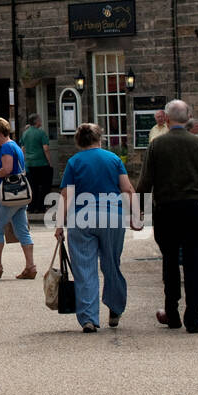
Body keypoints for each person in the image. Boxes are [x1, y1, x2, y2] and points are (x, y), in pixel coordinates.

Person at [137, 100, 198, 333]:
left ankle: (171, 313)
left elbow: (145, 182)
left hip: (167, 209)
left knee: (170, 261)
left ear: (168, 120)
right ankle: (194, 317)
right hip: (196, 207)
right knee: (195, 262)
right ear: (188, 117)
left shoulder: (157, 145)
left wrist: (139, 210)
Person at [56, 123, 139, 333]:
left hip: (81, 218)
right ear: (99, 139)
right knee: (112, 264)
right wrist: (135, 216)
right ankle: (115, 307)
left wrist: (59, 224)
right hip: (112, 216)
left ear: (78, 141)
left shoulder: (74, 162)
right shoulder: (113, 159)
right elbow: (127, 189)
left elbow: (66, 195)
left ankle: (89, 318)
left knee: (85, 269)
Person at [0, 118, 36, 278]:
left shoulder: (6, 147)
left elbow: (7, 169)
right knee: (22, 230)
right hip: (20, 195)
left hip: (10, 195)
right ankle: (30, 266)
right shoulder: (15, 146)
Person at [21, 114, 52, 214]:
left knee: (32, 186)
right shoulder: (41, 133)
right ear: (36, 121)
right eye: (39, 120)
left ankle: (31, 207)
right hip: (41, 163)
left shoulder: (25, 134)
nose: (41, 121)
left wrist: (24, 161)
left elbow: (22, 149)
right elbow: (46, 149)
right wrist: (49, 162)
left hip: (30, 163)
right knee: (44, 186)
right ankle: (41, 207)